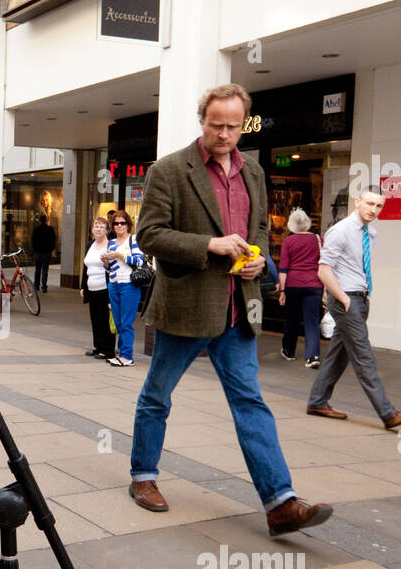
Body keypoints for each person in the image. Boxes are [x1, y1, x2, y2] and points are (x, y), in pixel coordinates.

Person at [129, 82, 332, 537]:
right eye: (216, 125)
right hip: (187, 306)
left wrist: (257, 258)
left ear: (244, 124)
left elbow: (257, 228)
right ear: (202, 120)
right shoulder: (169, 170)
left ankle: (281, 503)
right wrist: (210, 245)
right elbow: (151, 235)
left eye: (233, 127)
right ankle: (143, 476)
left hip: (238, 309)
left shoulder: (253, 172)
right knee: (157, 396)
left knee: (250, 402)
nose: (225, 134)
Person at [307, 190, 401, 430]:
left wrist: (362, 296)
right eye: (369, 203)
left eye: (378, 206)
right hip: (346, 299)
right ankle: (388, 413)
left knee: (339, 354)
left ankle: (317, 402)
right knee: (363, 354)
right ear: (357, 202)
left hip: (361, 298)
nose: (373, 209)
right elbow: (323, 270)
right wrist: (344, 299)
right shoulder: (340, 231)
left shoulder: (371, 234)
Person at [277, 209, 324, 368]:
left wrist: (282, 291)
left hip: (293, 284)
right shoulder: (319, 240)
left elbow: (283, 269)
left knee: (292, 318)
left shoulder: (288, 242)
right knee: (312, 320)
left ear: (291, 224)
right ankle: (312, 356)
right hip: (314, 284)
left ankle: (288, 351)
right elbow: (324, 264)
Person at [103, 212, 143, 366]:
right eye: (116, 224)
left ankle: (127, 356)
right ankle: (121, 354)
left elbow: (139, 261)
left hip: (129, 284)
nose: (119, 226)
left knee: (126, 322)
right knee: (118, 322)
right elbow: (109, 269)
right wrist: (106, 262)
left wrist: (120, 255)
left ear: (128, 224)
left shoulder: (133, 240)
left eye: (122, 223)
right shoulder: (111, 243)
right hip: (114, 284)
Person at [79, 217, 116, 359]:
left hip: (105, 287)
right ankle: (98, 346)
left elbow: (113, 267)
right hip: (91, 287)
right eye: (96, 226)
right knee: (95, 318)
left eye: (102, 227)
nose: (98, 229)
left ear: (107, 230)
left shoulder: (110, 246)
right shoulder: (90, 244)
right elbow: (85, 266)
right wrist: (83, 286)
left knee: (105, 319)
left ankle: (108, 350)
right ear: (92, 229)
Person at [31, 214, 57, 292]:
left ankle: (36, 285)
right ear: (46, 220)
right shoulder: (50, 229)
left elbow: (33, 240)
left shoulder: (36, 229)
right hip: (46, 252)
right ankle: (44, 287)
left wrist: (34, 250)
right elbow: (53, 240)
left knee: (37, 270)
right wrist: (51, 250)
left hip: (38, 252)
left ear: (39, 220)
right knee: (45, 270)